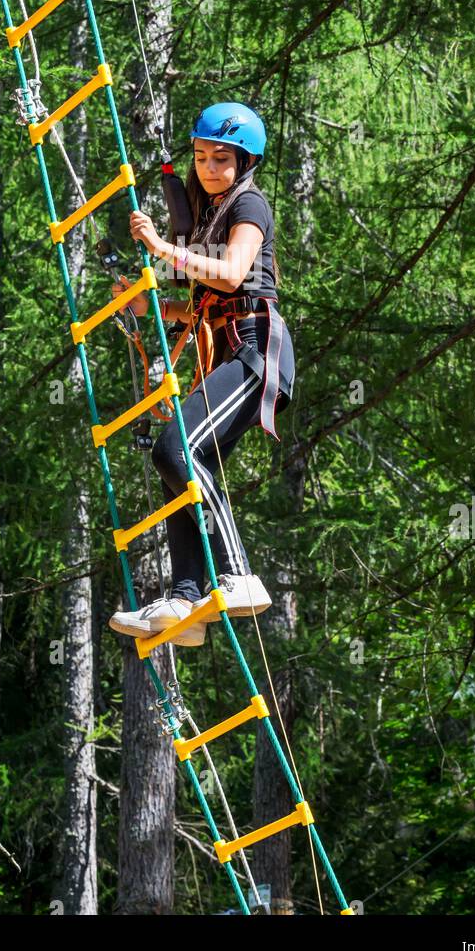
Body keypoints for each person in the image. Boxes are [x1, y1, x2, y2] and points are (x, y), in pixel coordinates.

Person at [107, 102, 295, 648]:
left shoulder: (249, 205)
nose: (210, 166)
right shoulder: (207, 213)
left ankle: (238, 576)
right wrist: (151, 309)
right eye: (201, 156)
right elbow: (201, 309)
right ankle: (188, 596)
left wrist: (165, 250)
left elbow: (235, 274)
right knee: (182, 472)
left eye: (222, 157)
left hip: (256, 352)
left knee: (176, 452)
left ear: (244, 160)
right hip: (229, 351)